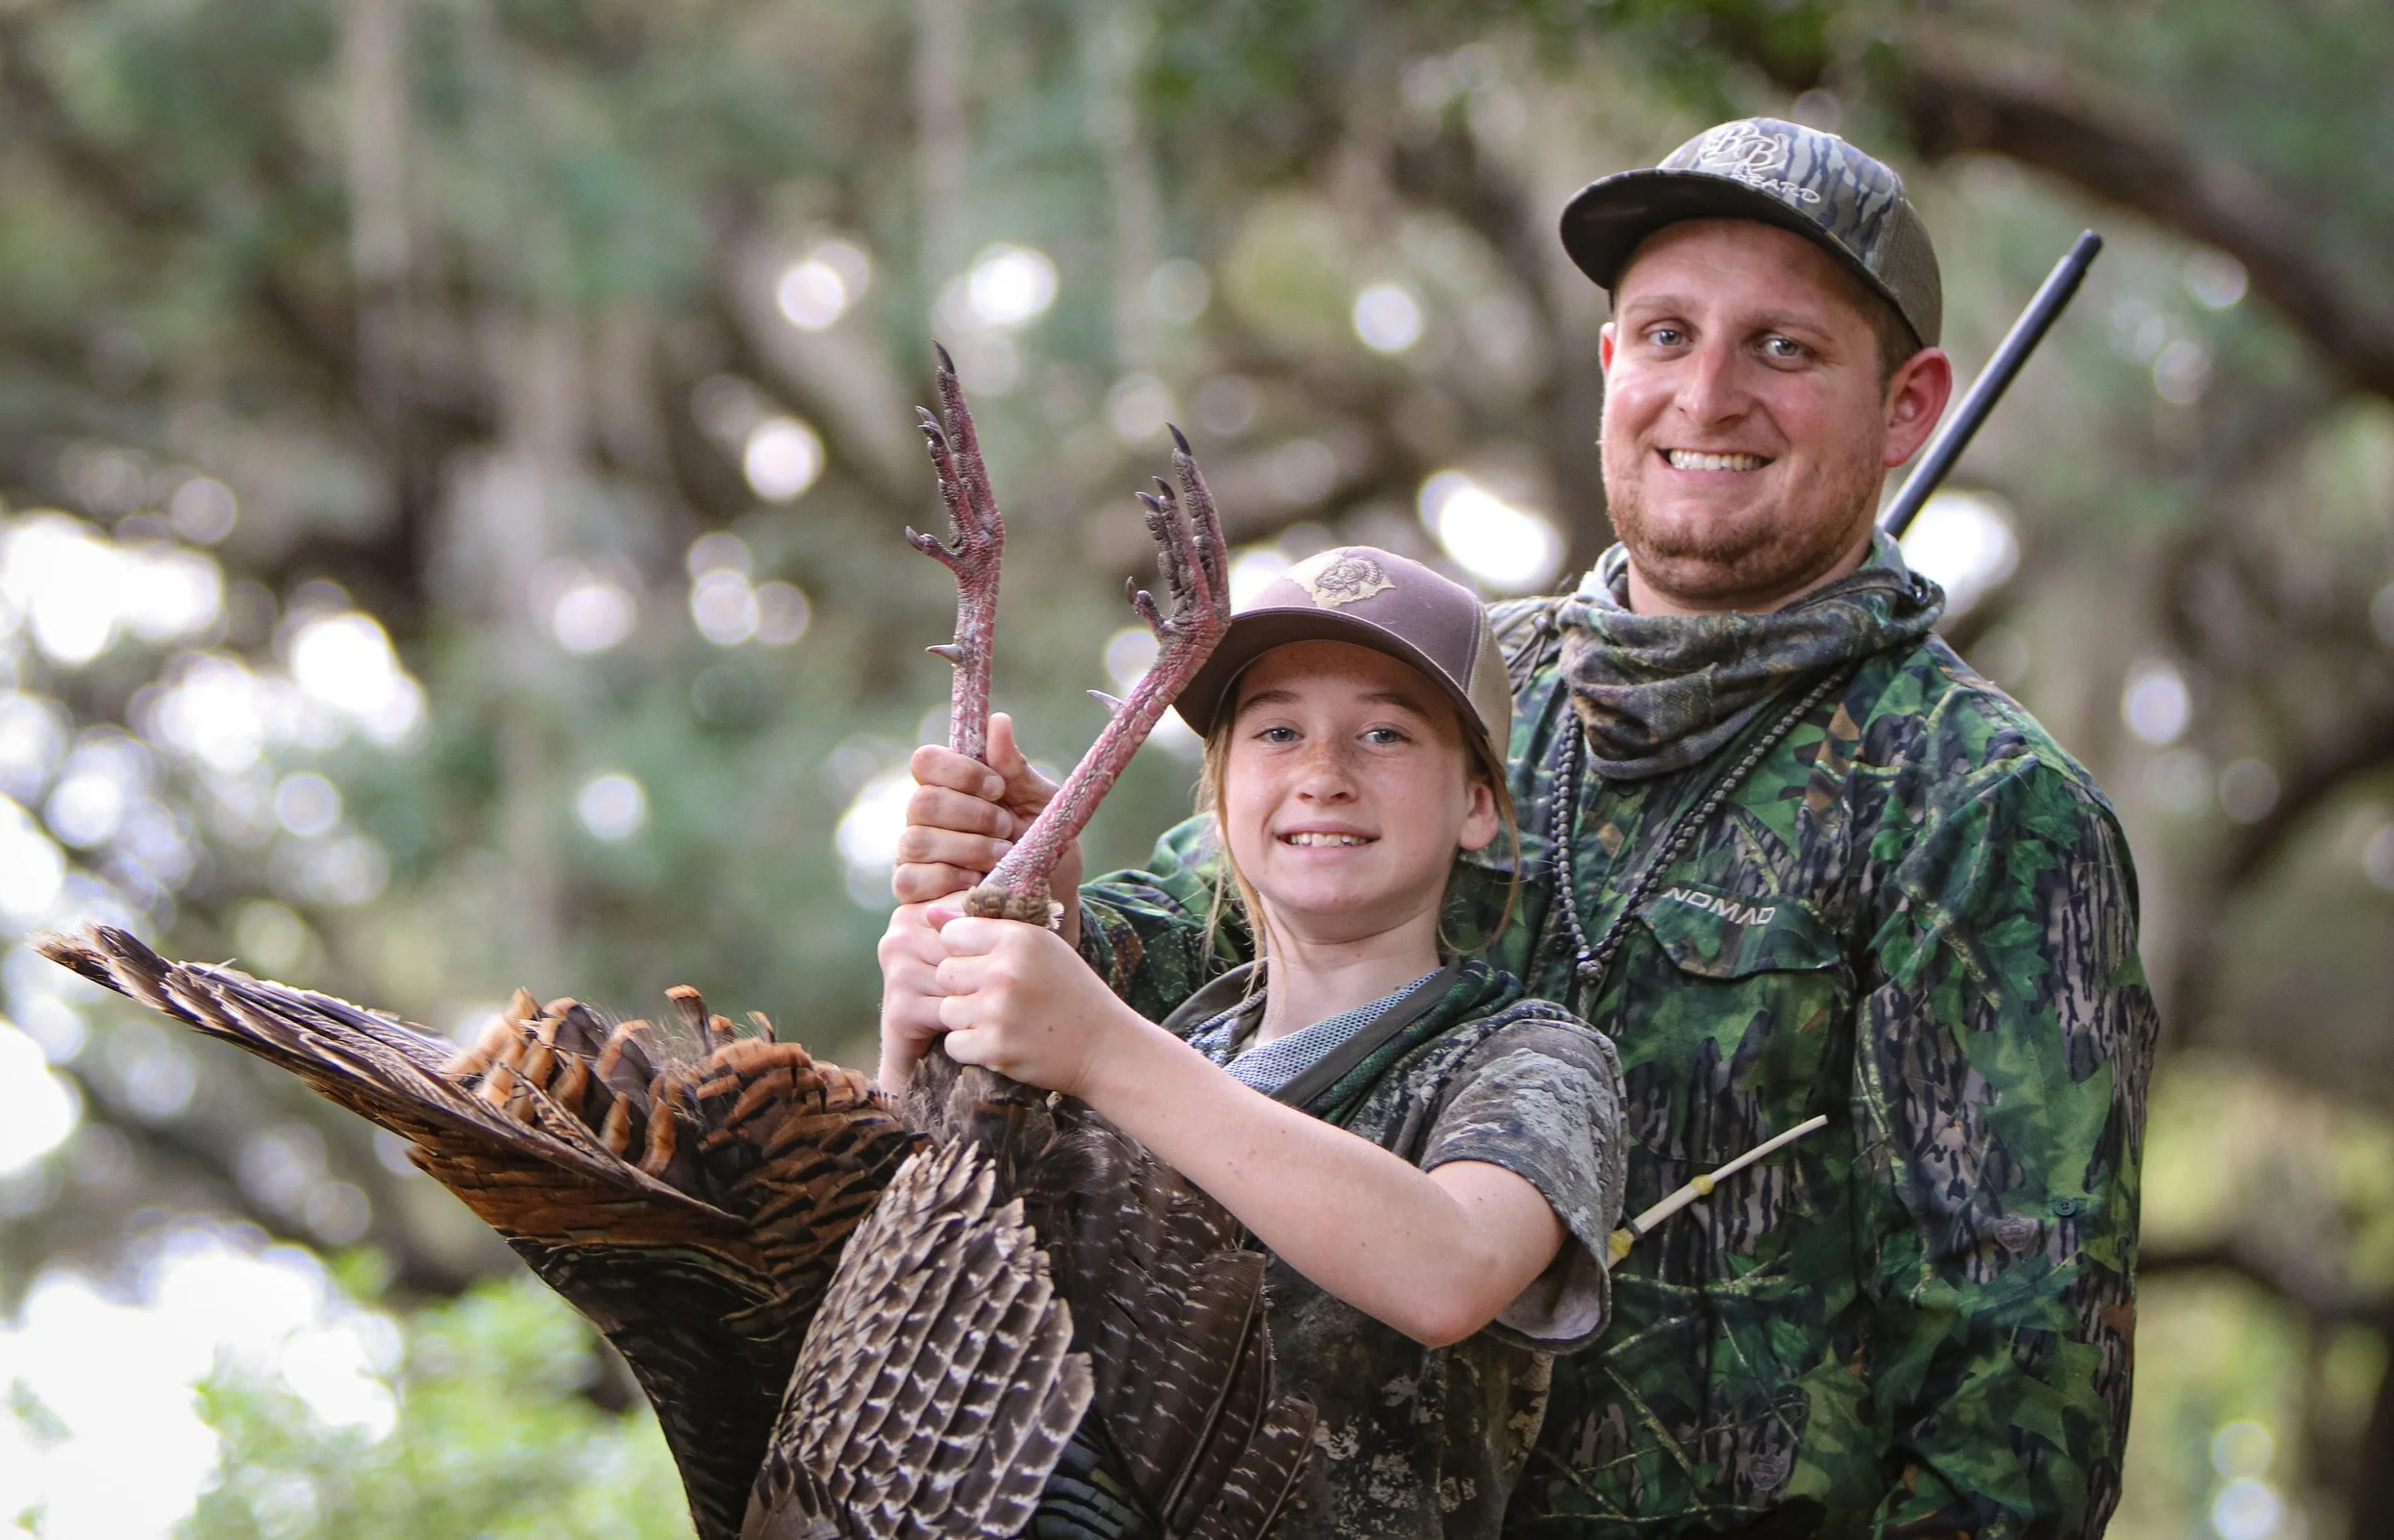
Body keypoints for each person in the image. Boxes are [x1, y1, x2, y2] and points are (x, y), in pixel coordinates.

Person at [890, 118, 2158, 1538]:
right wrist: (1021, 891)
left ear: (1909, 406)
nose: (1710, 393)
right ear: (1611, 364)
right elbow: (1172, 956)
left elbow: (2019, 1413)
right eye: (1666, 334)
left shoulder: (1985, 808)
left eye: (1783, 350)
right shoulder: (1455, 687)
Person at [879, 548, 1628, 1539]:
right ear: (1221, 791)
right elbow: (916, 1302)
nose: (1324, 775)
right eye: (1277, 731)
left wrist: (1101, 1050)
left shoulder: (1529, 1060)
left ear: (1478, 805)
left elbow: (1453, 1270)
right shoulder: (1170, 1037)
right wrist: (915, 1045)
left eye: (1385, 733)